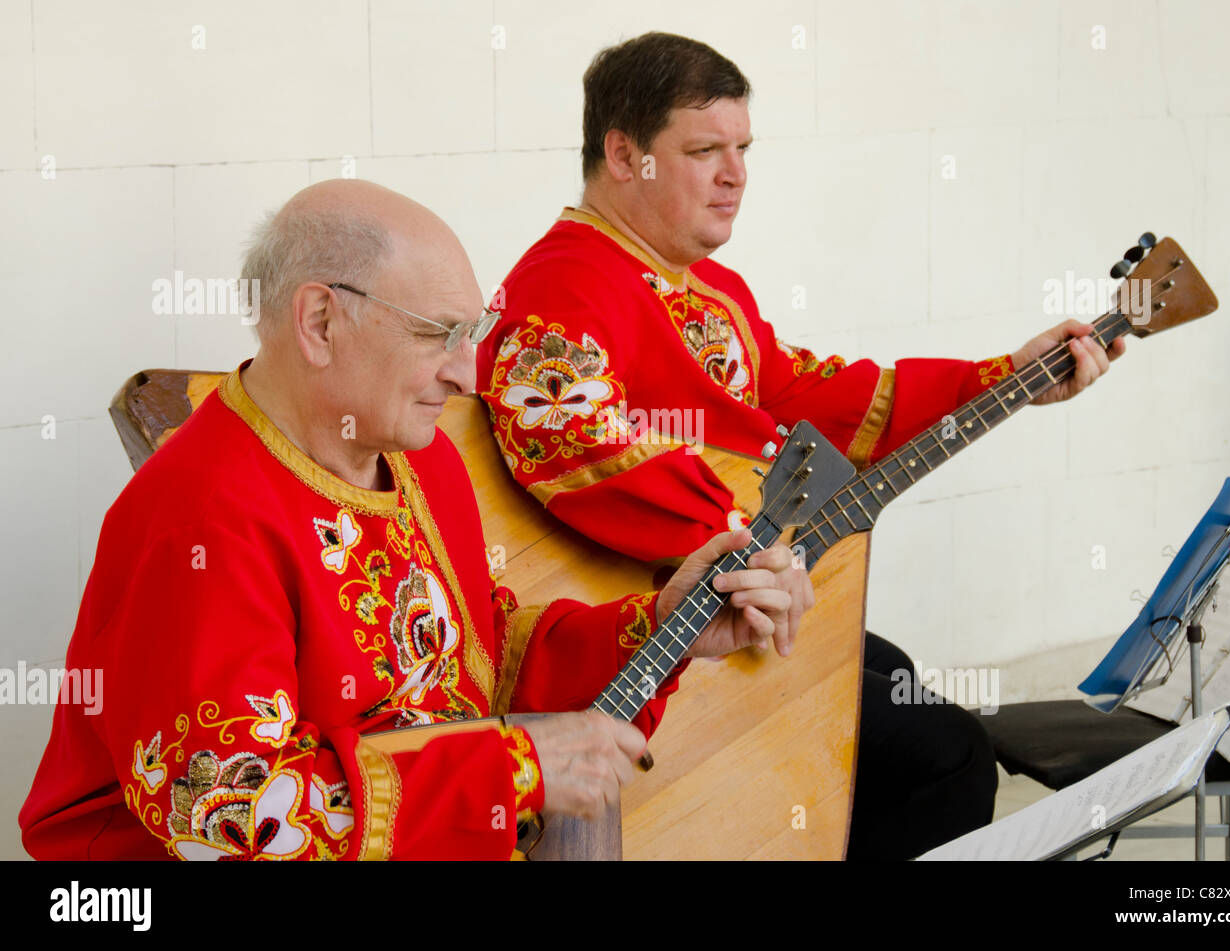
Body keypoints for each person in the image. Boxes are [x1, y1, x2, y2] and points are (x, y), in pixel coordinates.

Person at [18, 179, 811, 861]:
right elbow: (231, 815)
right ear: (320, 321)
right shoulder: (197, 513)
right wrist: (514, 767)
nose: (468, 373)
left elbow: (481, 662)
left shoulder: (419, 457)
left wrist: (663, 626)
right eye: (440, 333)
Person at [476, 32, 1124, 859]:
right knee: (948, 756)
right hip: (656, 621)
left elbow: (806, 396)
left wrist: (1003, 377)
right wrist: (754, 529)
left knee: (894, 675)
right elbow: (567, 438)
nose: (735, 174)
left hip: (741, 587)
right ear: (622, 153)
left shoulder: (710, 286)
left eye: (743, 148)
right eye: (704, 150)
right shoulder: (566, 279)